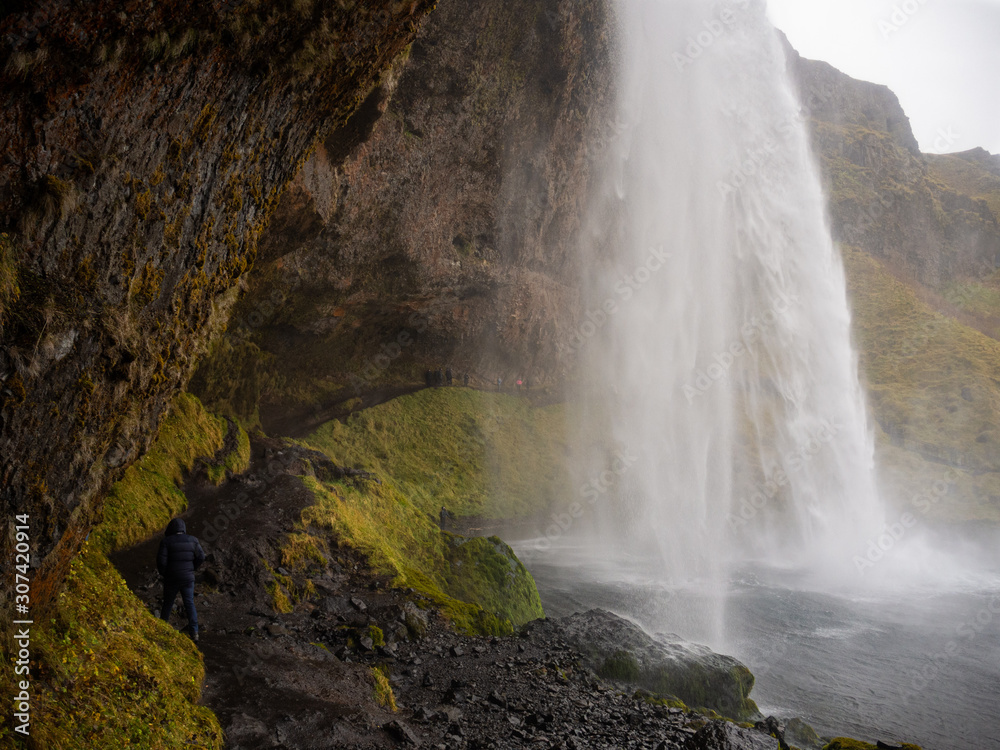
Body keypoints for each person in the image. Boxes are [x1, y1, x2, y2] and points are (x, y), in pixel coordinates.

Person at [157, 517, 205, 642]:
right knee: (189, 603)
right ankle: (194, 633)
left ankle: (162, 629)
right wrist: (192, 568)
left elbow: (161, 562)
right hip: (188, 578)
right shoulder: (193, 540)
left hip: (172, 578)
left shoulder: (166, 542)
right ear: (183, 528)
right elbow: (201, 556)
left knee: (167, 603)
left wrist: (165, 573)